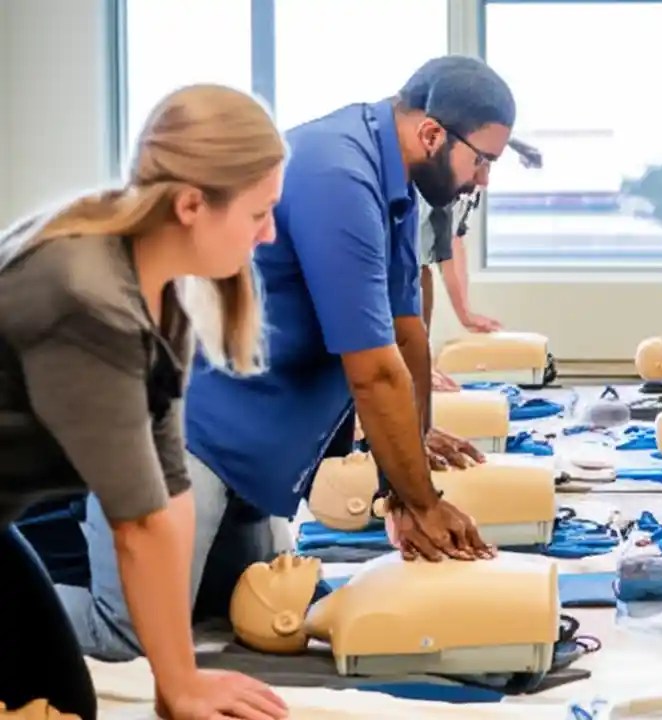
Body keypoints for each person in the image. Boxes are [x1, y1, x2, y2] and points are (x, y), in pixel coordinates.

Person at [58, 55, 508, 663]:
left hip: (248, 463)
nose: (481, 180)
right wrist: (421, 503)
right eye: (482, 160)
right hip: (180, 438)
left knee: (237, 605)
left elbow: (407, 341)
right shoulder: (338, 175)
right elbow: (372, 371)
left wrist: (403, 485)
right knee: (129, 636)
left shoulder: (393, 183)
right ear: (433, 134)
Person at [0, 85, 289, 719]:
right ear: (191, 204)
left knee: (61, 702)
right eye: (259, 213)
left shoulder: (157, 293)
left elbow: (170, 489)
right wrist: (180, 687)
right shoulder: (88, 297)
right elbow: (134, 523)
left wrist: (175, 674)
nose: (269, 235)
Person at [417, 137, 542, 345]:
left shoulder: (461, 187)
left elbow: (452, 240)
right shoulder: (424, 181)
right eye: (478, 164)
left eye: (488, 167)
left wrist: (465, 313)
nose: (483, 181)